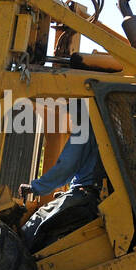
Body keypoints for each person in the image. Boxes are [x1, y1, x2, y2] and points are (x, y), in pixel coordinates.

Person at [19, 99, 107, 252]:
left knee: (33, 226)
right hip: (95, 193)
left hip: (86, 196)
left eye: (73, 113)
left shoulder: (85, 129)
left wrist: (34, 187)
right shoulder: (102, 128)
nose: (71, 118)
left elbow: (66, 167)